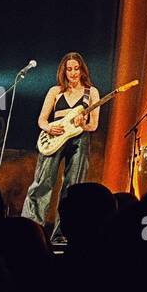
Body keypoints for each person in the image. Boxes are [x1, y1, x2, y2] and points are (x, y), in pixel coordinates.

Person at [23, 53, 100, 243]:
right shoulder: (55, 91)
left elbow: (94, 125)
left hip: (79, 139)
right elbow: (42, 119)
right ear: (63, 71)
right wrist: (49, 126)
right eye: (69, 69)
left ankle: (62, 234)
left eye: (76, 68)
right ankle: (32, 231)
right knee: (43, 182)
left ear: (82, 70)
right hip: (54, 136)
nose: (73, 73)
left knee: (73, 188)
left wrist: (83, 124)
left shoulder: (92, 92)